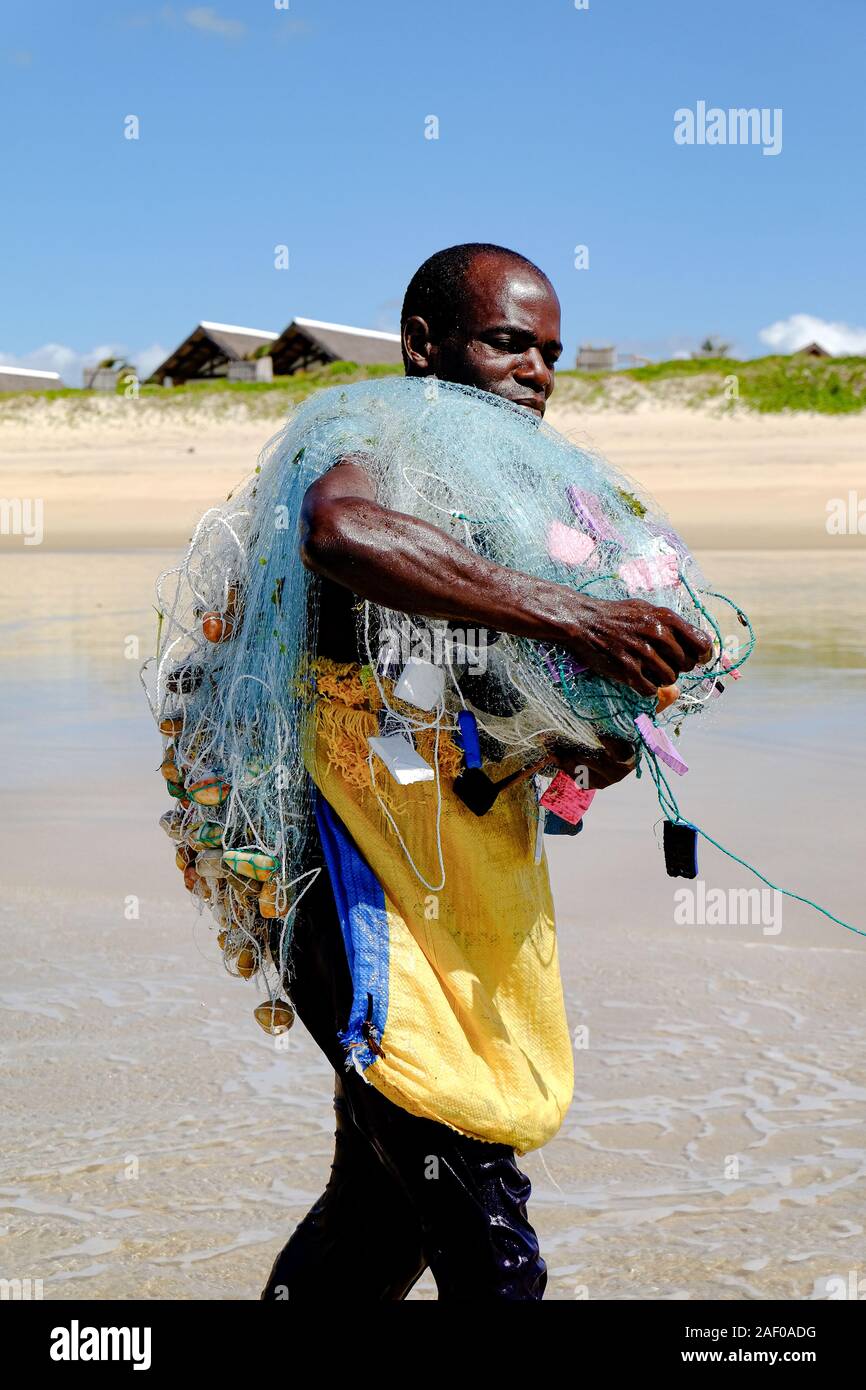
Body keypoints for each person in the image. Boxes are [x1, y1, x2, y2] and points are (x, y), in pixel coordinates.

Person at [261, 243, 711, 1301]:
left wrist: (590, 735)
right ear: (424, 345)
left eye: (549, 352)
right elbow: (339, 531)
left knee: (376, 1218)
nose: (536, 371)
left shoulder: (499, 498)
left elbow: (473, 696)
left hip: (462, 874)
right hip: (357, 877)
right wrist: (576, 615)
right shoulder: (366, 434)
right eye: (507, 341)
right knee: (490, 1249)